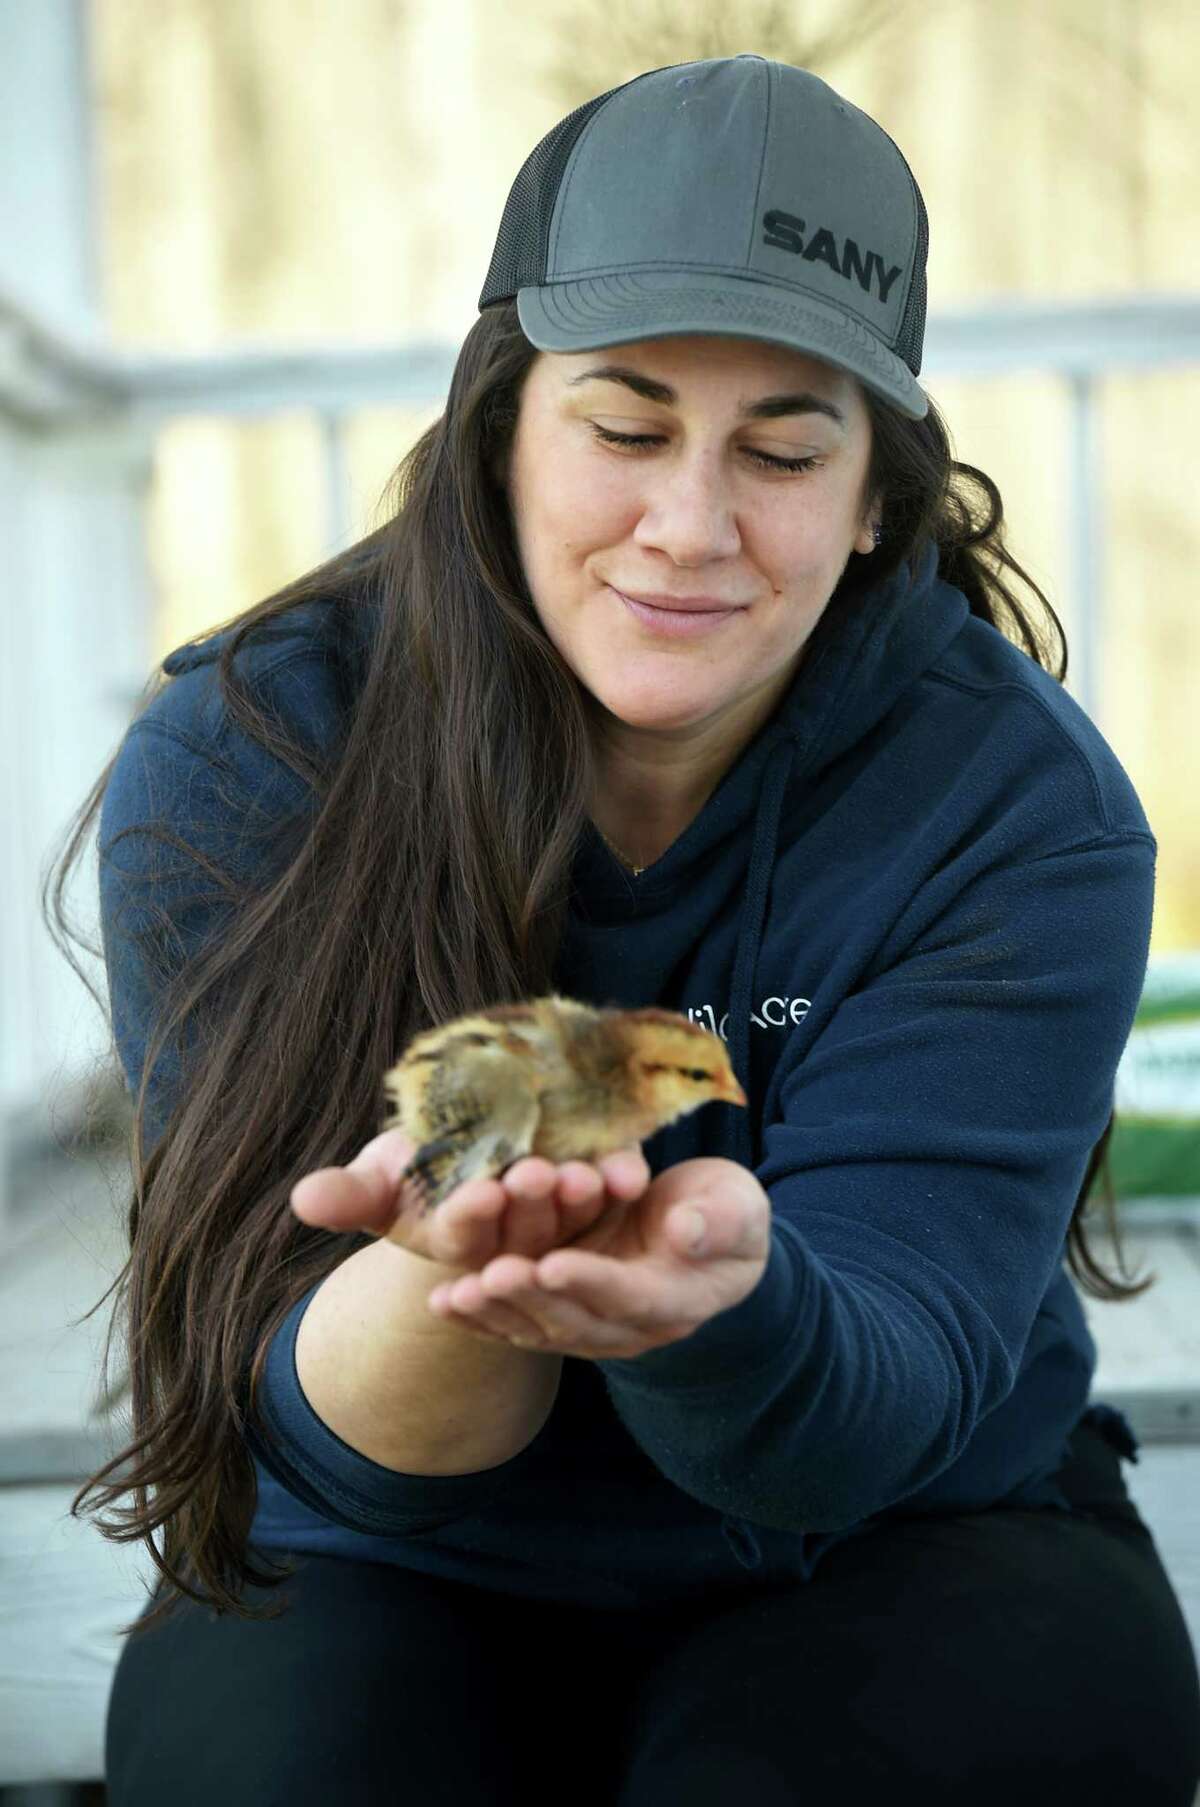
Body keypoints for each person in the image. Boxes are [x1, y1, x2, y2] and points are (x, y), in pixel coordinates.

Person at [66, 53, 1199, 1806]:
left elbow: (877, 1403)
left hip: (912, 1535)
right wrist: (457, 1273)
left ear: (877, 495)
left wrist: (713, 1315)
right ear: (499, 427)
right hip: (380, 1562)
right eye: (625, 423)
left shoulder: (1019, 808)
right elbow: (325, 1442)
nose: (691, 525)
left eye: (783, 446)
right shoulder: (244, 757)